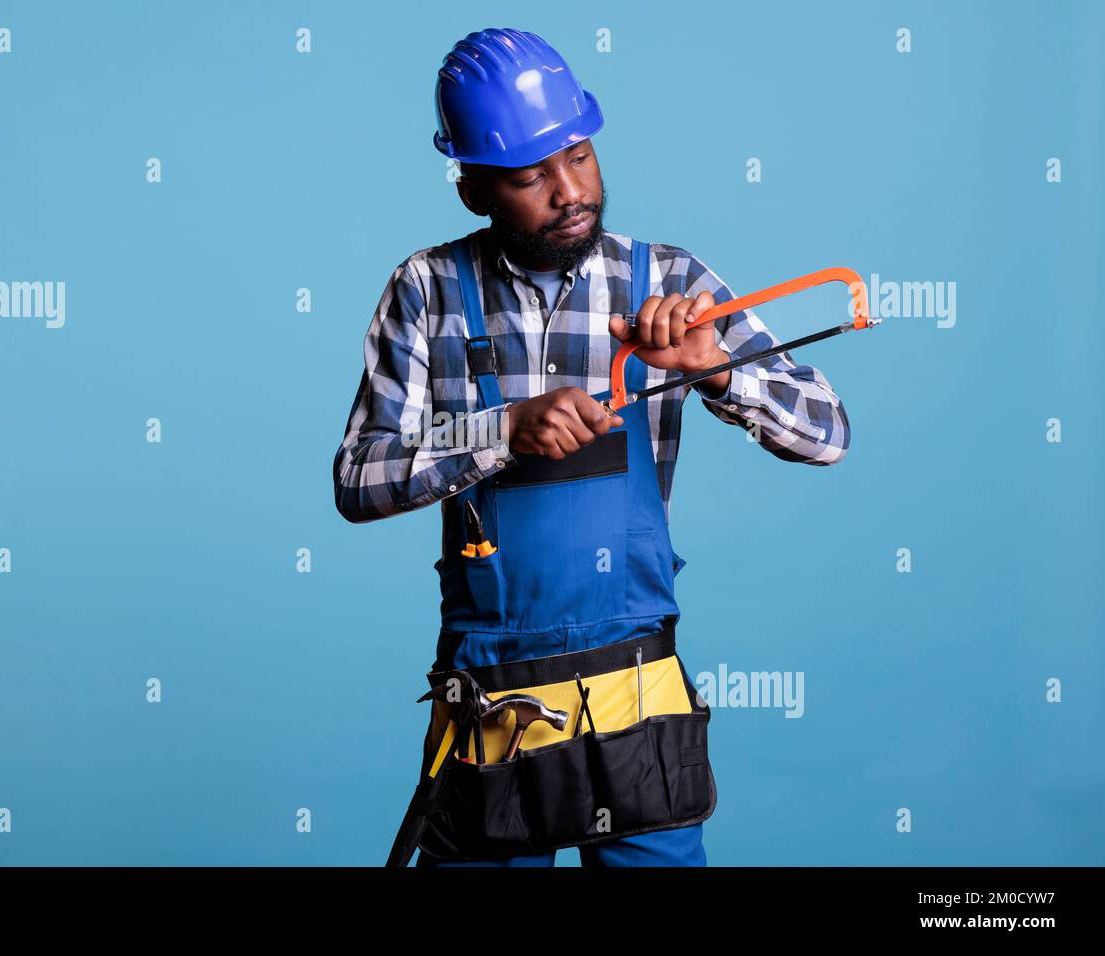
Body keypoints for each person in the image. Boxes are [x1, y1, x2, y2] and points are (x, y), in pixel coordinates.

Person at [333, 28, 849, 867]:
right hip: (492, 713)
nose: (569, 191)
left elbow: (827, 434)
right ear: (473, 190)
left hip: (636, 702)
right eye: (532, 176)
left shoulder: (669, 283)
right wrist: (498, 432)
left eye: (577, 155)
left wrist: (716, 370)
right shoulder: (426, 290)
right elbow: (358, 479)